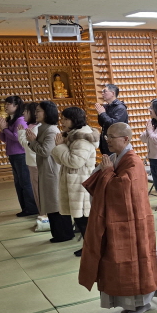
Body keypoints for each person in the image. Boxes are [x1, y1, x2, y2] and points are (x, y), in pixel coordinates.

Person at [79, 123, 157, 313]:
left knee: (136, 261)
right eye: (107, 136)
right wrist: (105, 171)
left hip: (134, 223)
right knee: (116, 260)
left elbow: (122, 188)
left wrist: (107, 173)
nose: (107, 140)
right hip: (117, 220)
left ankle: (142, 303)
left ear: (125, 139)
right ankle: (129, 302)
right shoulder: (114, 158)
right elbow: (97, 181)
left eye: (112, 136)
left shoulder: (133, 162)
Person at [51, 107, 99, 257]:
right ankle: (89, 246)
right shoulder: (71, 135)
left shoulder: (82, 137)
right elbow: (61, 159)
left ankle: (92, 248)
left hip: (80, 182)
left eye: (65, 119)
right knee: (80, 218)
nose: (62, 122)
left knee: (84, 218)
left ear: (74, 119)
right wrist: (60, 148)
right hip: (74, 181)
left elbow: (75, 161)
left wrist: (60, 146)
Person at [25, 101, 73, 243]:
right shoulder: (43, 128)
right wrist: (32, 142)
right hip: (45, 169)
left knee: (55, 203)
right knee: (51, 202)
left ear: (47, 113)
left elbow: (45, 151)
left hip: (51, 170)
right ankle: (59, 233)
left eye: (39, 111)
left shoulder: (51, 130)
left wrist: (32, 141)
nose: (36, 113)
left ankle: (64, 234)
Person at [0, 95, 38, 217]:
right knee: (18, 182)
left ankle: (31, 207)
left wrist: (5, 129)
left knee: (25, 182)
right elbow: (5, 139)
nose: (6, 106)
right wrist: (2, 130)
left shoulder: (20, 120)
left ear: (16, 106)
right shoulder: (11, 119)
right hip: (13, 154)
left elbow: (17, 138)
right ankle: (25, 207)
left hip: (20, 154)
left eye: (8, 104)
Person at [17, 103, 47, 227]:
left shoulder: (35, 128)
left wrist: (21, 134)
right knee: (36, 189)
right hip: (32, 162)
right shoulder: (32, 127)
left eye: (26, 111)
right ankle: (42, 213)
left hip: (35, 163)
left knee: (39, 190)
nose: (23, 114)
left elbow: (29, 147)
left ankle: (44, 214)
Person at [95, 84, 128, 155]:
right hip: (106, 140)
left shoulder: (120, 108)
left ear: (113, 93)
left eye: (105, 91)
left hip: (116, 142)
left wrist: (103, 113)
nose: (102, 93)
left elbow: (114, 125)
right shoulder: (107, 107)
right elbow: (102, 124)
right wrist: (100, 114)